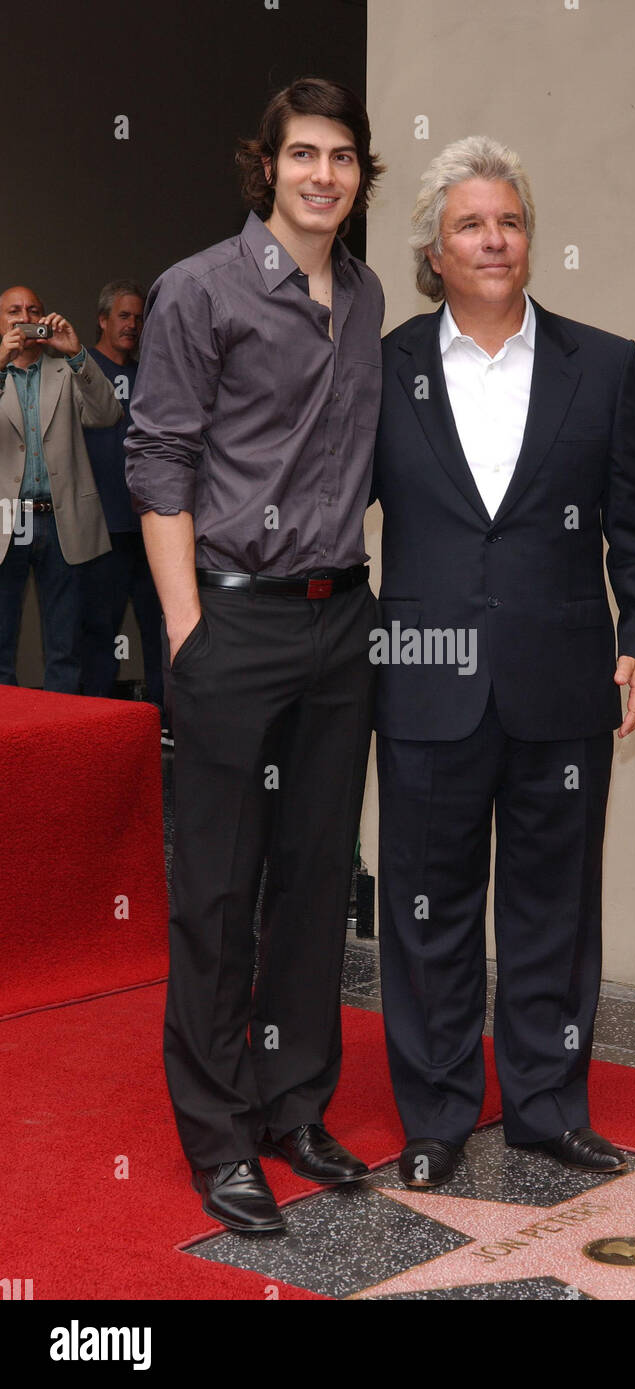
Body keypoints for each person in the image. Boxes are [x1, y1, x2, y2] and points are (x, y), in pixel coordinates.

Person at [371, 136, 635, 1189]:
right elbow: (323, 515)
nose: (494, 239)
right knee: (427, 908)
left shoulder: (605, 362)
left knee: (554, 907)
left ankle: (547, 1109)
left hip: (563, 683)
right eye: (471, 223)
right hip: (422, 677)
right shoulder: (384, 366)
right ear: (434, 250)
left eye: (509, 221)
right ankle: (437, 1115)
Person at [124, 78, 385, 1233]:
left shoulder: (369, 297)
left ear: (360, 176)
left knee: (319, 882)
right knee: (220, 893)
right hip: (233, 618)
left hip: (343, 621)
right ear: (266, 167)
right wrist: (187, 629)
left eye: (341, 157)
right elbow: (160, 457)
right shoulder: (198, 288)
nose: (322, 174)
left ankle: (292, 1104)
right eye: (302, 156)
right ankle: (221, 1135)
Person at [0, 288, 121, 692]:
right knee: (1, 644)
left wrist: (76, 354)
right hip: (6, 520)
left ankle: (59, 744)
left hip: (60, 517)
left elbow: (108, 413)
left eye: (33, 310)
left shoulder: (64, 370)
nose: (24, 316)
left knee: (65, 644)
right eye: (13, 311)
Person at [79, 280, 165, 722]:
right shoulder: (79, 370)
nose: (132, 325)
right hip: (101, 527)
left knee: (160, 627)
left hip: (150, 525)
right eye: (123, 316)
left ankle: (162, 719)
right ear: (102, 320)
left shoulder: (150, 372)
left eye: (138, 317)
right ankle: (94, 723)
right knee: (99, 630)